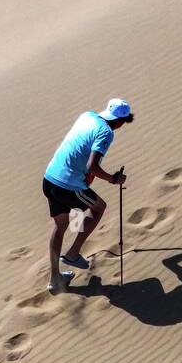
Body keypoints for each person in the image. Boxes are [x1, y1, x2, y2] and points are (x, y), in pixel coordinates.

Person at [42, 98, 133, 293]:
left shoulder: (87, 116)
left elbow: (79, 150)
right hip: (69, 185)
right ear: (119, 122)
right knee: (99, 207)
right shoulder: (107, 132)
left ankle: (55, 279)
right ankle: (73, 253)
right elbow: (92, 165)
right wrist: (113, 179)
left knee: (60, 226)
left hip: (49, 179)